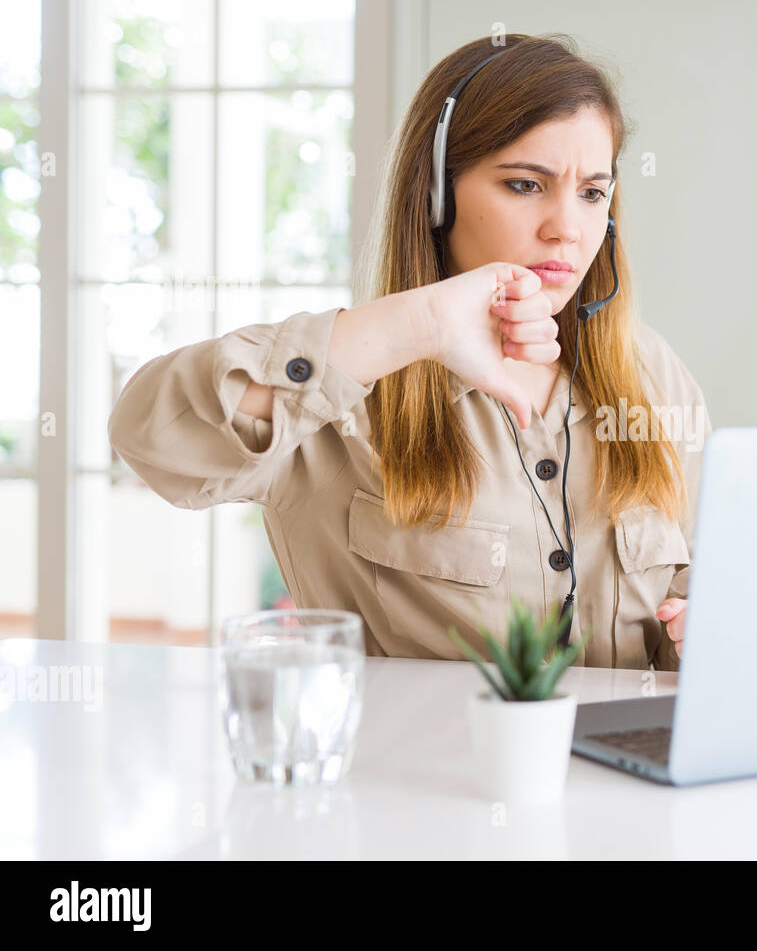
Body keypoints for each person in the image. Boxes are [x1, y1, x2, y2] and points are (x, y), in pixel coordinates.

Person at [107, 33, 711, 671]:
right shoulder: (351, 383)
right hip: (413, 770)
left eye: (593, 192)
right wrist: (416, 323)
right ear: (437, 198)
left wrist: (701, 635)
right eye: (525, 185)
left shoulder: (655, 378)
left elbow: (691, 598)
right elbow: (153, 436)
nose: (567, 226)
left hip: (623, 771)